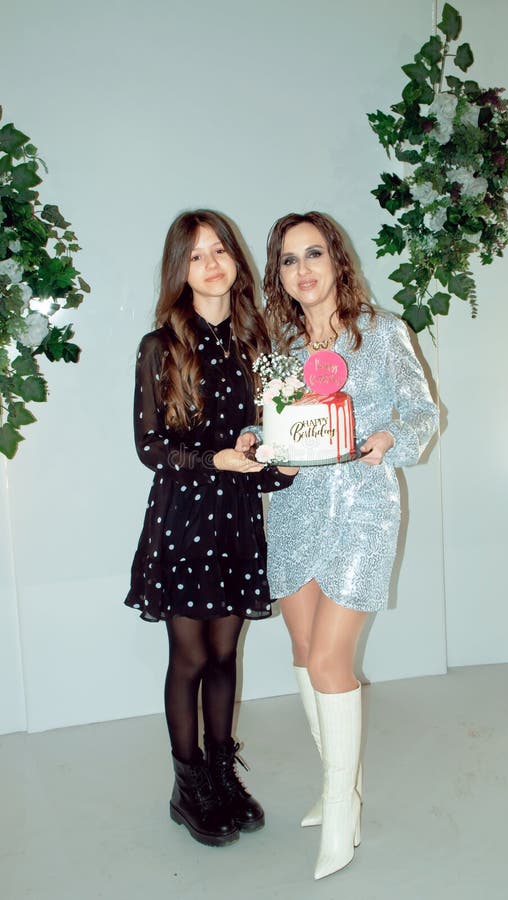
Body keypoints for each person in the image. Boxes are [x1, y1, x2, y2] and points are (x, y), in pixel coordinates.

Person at [239, 211, 438, 879]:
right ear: (279, 274)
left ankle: (340, 809)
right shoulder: (279, 346)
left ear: (336, 259)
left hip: (363, 508)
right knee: (302, 651)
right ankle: (338, 784)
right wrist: (253, 439)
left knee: (330, 660)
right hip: (295, 510)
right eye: (289, 259)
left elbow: (422, 412)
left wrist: (389, 438)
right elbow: (269, 421)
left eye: (314, 253)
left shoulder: (381, 332)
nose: (304, 269)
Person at [125, 209, 296, 848]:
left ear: (236, 260)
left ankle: (223, 775)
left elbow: (268, 438)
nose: (212, 264)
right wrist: (213, 460)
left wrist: (278, 460)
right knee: (191, 656)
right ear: (181, 270)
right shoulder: (160, 346)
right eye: (196, 255)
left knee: (226, 654)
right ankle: (188, 785)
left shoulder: (259, 344)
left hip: (237, 520)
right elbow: (149, 446)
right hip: (184, 517)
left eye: (220, 250)